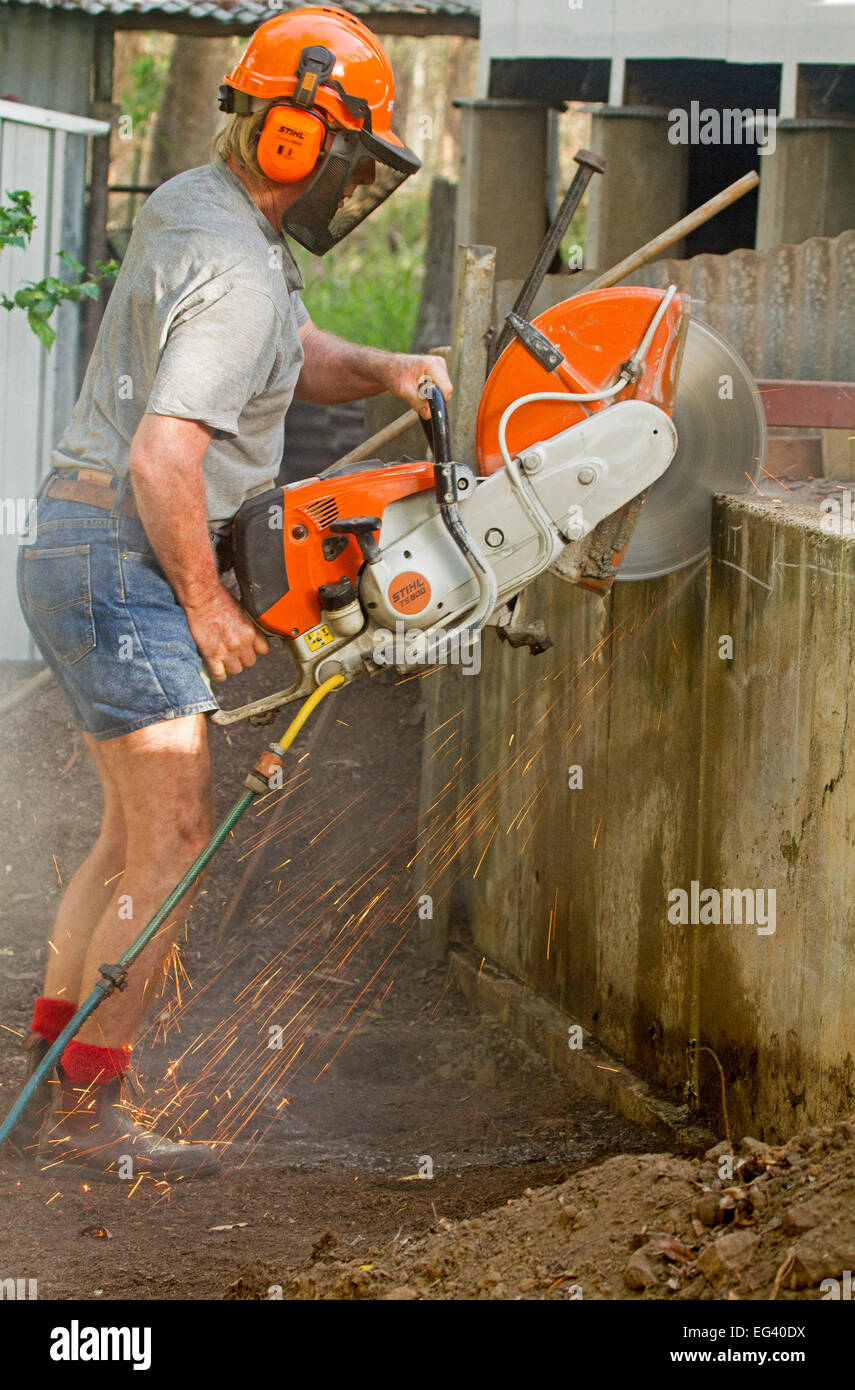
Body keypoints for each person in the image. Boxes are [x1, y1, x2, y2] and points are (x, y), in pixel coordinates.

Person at [10, 5, 452, 1179]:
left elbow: (289, 350)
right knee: (174, 837)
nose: (348, 178)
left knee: (127, 839)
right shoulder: (232, 262)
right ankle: (96, 1118)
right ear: (296, 141)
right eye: (344, 150)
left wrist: (395, 370)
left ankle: (63, 1085)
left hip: (79, 542)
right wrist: (208, 606)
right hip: (122, 551)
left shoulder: (208, 216)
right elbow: (165, 457)